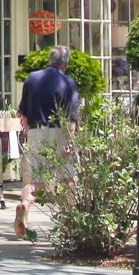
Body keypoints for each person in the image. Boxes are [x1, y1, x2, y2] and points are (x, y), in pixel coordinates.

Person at [15, 45, 82, 239]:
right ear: (66, 65)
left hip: (37, 132)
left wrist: (31, 134)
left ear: (49, 61)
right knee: (68, 178)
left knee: (35, 180)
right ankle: (66, 220)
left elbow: (23, 116)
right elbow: (71, 119)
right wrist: (70, 142)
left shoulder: (32, 79)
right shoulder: (68, 83)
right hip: (59, 133)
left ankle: (25, 204)